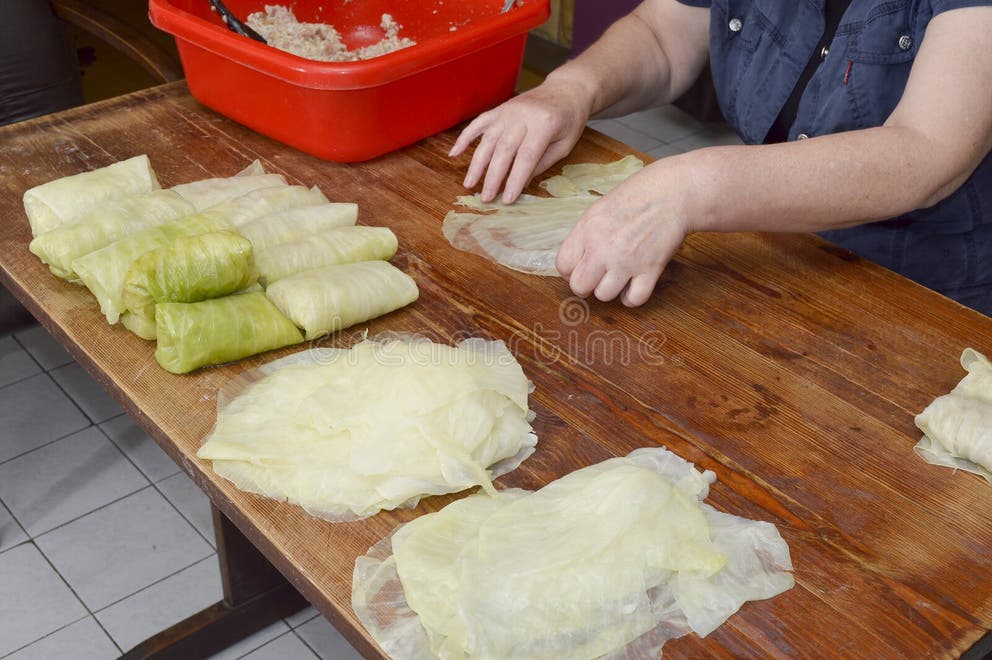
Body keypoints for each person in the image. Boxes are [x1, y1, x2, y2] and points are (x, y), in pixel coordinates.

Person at [449, 1, 992, 315]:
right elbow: (663, 38)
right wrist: (571, 89)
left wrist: (694, 185)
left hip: (927, 299)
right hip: (774, 257)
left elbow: (925, 151)